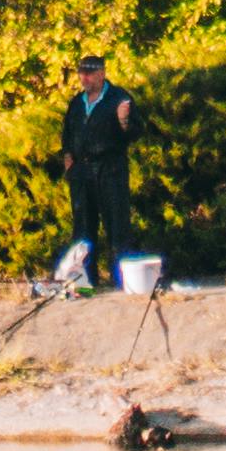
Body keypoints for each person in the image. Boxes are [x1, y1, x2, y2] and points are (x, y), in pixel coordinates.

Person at [58, 55, 142, 290]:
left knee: (117, 225)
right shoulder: (77, 102)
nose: (84, 78)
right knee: (83, 229)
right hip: (82, 170)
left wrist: (123, 121)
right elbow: (67, 134)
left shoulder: (118, 98)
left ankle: (123, 282)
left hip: (110, 168)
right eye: (81, 74)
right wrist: (68, 158)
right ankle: (87, 281)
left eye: (89, 74)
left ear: (101, 74)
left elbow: (135, 133)